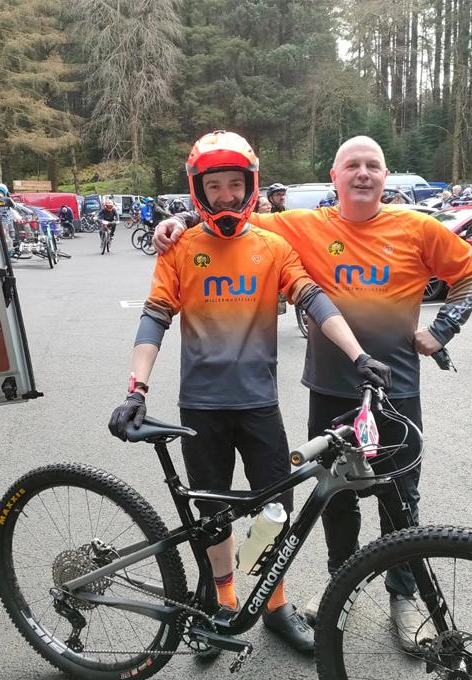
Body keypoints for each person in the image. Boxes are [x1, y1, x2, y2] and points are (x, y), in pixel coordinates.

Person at [153, 135, 472, 653]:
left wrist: (443, 329)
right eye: (352, 165)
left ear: (385, 175)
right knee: (336, 499)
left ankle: (403, 598)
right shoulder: (304, 225)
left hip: (393, 389)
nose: (362, 173)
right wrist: (176, 221)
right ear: (335, 177)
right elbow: (228, 213)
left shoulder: (418, 227)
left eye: (372, 165)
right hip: (331, 391)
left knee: (400, 501)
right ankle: (340, 586)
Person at [108, 130, 391, 657]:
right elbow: (154, 318)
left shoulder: (272, 246)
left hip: (260, 405)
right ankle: (223, 602)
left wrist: (360, 357)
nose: (226, 196)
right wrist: (136, 390)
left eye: (234, 185)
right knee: (213, 515)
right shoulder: (180, 248)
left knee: (275, 511)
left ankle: (275, 606)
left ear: (249, 186)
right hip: (201, 409)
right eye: (213, 186)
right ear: (199, 191)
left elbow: (314, 301)